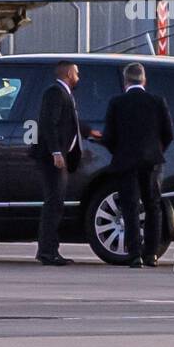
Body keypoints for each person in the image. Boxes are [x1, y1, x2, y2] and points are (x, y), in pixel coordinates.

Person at [101, 62, 174, 268]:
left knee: (130, 207)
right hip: (152, 161)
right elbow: (169, 133)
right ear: (144, 80)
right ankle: (151, 253)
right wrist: (157, 151)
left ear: (125, 81)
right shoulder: (157, 102)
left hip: (126, 161)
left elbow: (108, 137)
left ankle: (134, 254)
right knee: (152, 207)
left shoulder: (117, 103)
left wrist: (119, 151)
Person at [33, 61, 97, 266]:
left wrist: (88, 131)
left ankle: (49, 250)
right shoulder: (55, 93)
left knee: (56, 203)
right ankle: (47, 252)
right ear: (69, 73)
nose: (78, 77)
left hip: (60, 156)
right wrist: (55, 151)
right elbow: (48, 123)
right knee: (54, 204)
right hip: (53, 158)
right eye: (76, 73)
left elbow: (69, 121)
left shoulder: (65, 94)